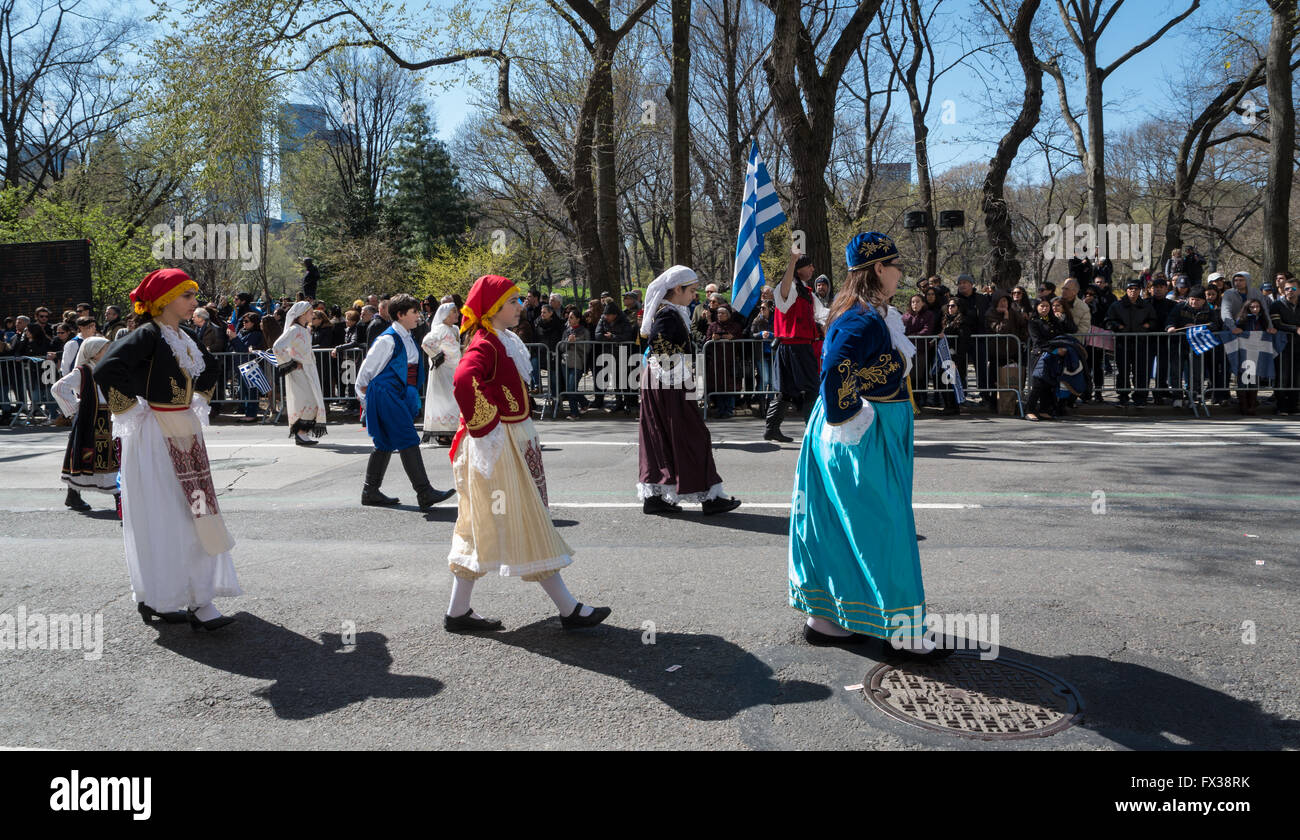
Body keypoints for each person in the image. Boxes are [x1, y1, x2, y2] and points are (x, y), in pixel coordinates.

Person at [788, 232, 951, 657]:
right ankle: (904, 631)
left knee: (834, 524)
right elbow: (835, 370)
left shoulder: (869, 312)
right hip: (860, 433)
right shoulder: (860, 318)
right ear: (878, 268)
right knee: (886, 526)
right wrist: (854, 418)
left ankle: (824, 618)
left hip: (849, 427)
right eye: (895, 266)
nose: (901, 274)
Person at [444, 274, 611, 633]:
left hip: (509, 438)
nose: (520, 306)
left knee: (480, 523)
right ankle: (569, 609)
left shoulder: (500, 339)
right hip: (500, 444)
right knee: (527, 517)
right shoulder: (486, 344)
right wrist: (488, 427)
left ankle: (458, 611)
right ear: (493, 308)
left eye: (519, 300)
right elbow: (462, 381)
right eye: (512, 302)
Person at [94, 268, 240, 631]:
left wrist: (198, 399)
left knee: (197, 507)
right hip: (154, 435)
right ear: (163, 301)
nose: (194, 302)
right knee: (167, 513)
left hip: (184, 430)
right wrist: (133, 407)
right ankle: (167, 595)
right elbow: (106, 370)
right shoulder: (146, 335)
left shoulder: (185, 335)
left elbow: (210, 369)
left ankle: (191, 595)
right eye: (187, 295)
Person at [636, 265, 742, 516]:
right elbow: (659, 345)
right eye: (692, 290)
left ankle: (656, 496)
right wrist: (682, 380)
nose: (695, 295)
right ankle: (708, 496)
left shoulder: (672, 311)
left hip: (663, 381)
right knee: (693, 436)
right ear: (677, 289)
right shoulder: (668, 314)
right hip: (669, 382)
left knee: (661, 436)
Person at [355, 294, 455, 510]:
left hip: (396, 394)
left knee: (385, 442)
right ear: (400, 315)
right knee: (408, 437)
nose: (418, 316)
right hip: (385, 394)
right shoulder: (387, 339)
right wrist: (366, 400)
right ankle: (424, 491)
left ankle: (370, 490)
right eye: (413, 312)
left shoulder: (407, 336)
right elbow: (365, 374)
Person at [52, 336, 118, 513]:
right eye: (105, 349)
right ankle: (118, 496)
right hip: (91, 419)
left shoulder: (106, 368)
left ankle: (73, 495)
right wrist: (74, 408)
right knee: (89, 455)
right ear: (94, 353)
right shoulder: (83, 371)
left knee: (111, 456)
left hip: (109, 419)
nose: (109, 351)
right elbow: (58, 388)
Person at [765, 253, 826, 442]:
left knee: (789, 390)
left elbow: (822, 314)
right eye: (809, 266)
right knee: (809, 388)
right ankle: (812, 431)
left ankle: (773, 429)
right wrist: (791, 260)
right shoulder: (788, 287)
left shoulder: (807, 292)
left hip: (798, 346)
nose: (812, 269)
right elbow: (783, 292)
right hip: (794, 347)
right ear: (799, 268)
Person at [273, 301, 328, 446]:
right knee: (307, 400)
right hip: (299, 370)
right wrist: (291, 363)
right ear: (302, 313)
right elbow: (277, 347)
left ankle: (302, 432)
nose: (313, 314)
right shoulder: (294, 330)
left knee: (312, 399)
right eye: (310, 312)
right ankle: (300, 432)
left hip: (308, 369)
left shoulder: (305, 330)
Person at [421, 301, 462, 446]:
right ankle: (444, 434)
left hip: (454, 369)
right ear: (445, 315)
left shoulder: (455, 329)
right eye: (454, 312)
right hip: (443, 370)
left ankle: (451, 431)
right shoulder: (441, 329)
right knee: (445, 401)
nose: (457, 314)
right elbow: (426, 342)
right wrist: (438, 356)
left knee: (453, 400)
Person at [559, 310, 591, 419]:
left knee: (571, 387)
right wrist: (568, 342)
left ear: (578, 319)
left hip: (578, 363)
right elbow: (561, 347)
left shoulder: (584, 331)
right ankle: (584, 403)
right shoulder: (566, 331)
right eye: (569, 317)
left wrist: (575, 342)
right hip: (565, 362)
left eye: (572, 317)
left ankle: (574, 413)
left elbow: (587, 348)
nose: (569, 319)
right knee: (569, 388)